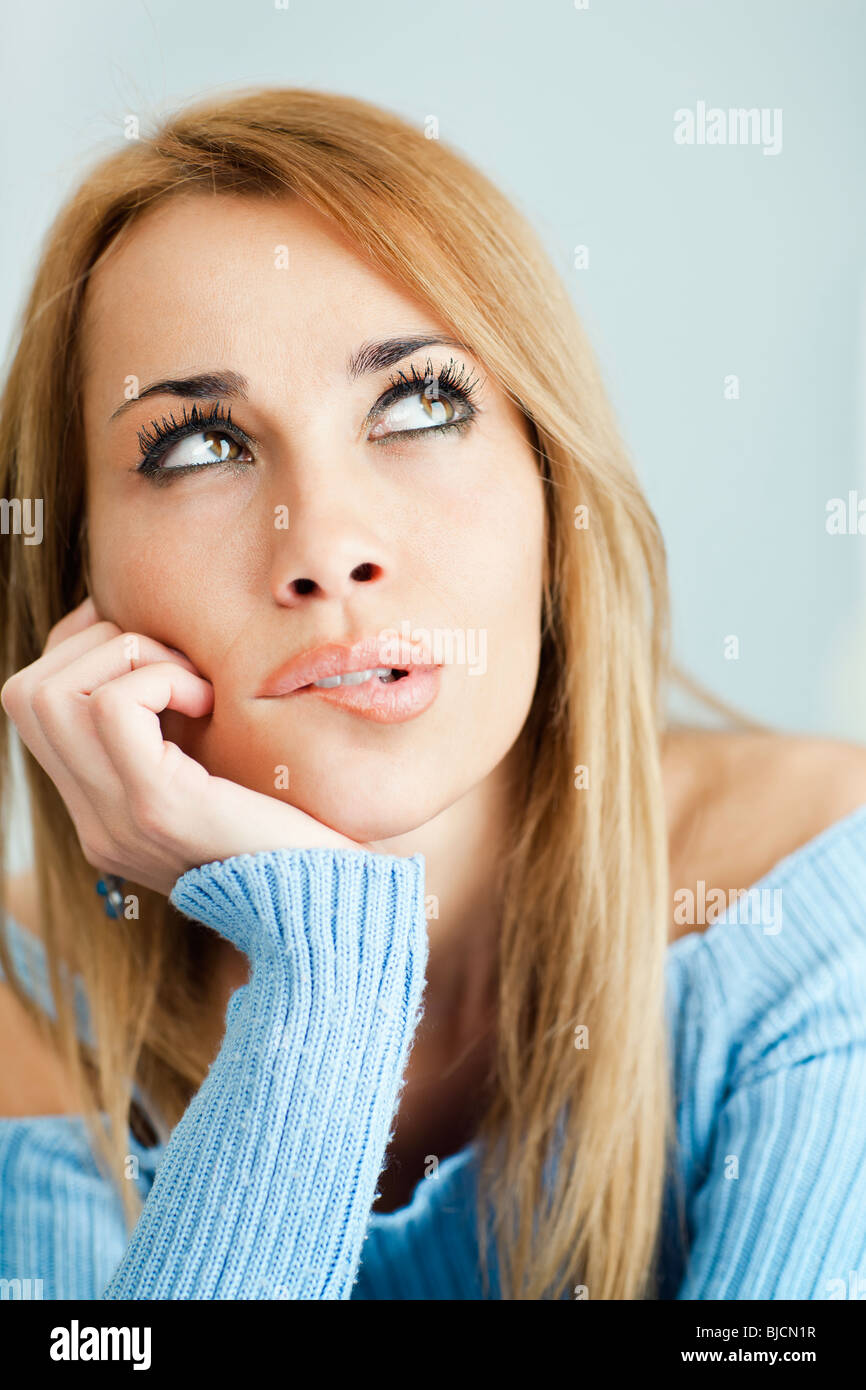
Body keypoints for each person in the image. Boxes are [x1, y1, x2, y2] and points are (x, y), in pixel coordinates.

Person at [1, 87, 865, 1301]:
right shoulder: (23, 1015)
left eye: (416, 405)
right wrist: (323, 981)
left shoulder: (816, 914)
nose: (327, 545)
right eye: (198, 445)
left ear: (551, 491)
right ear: (75, 574)